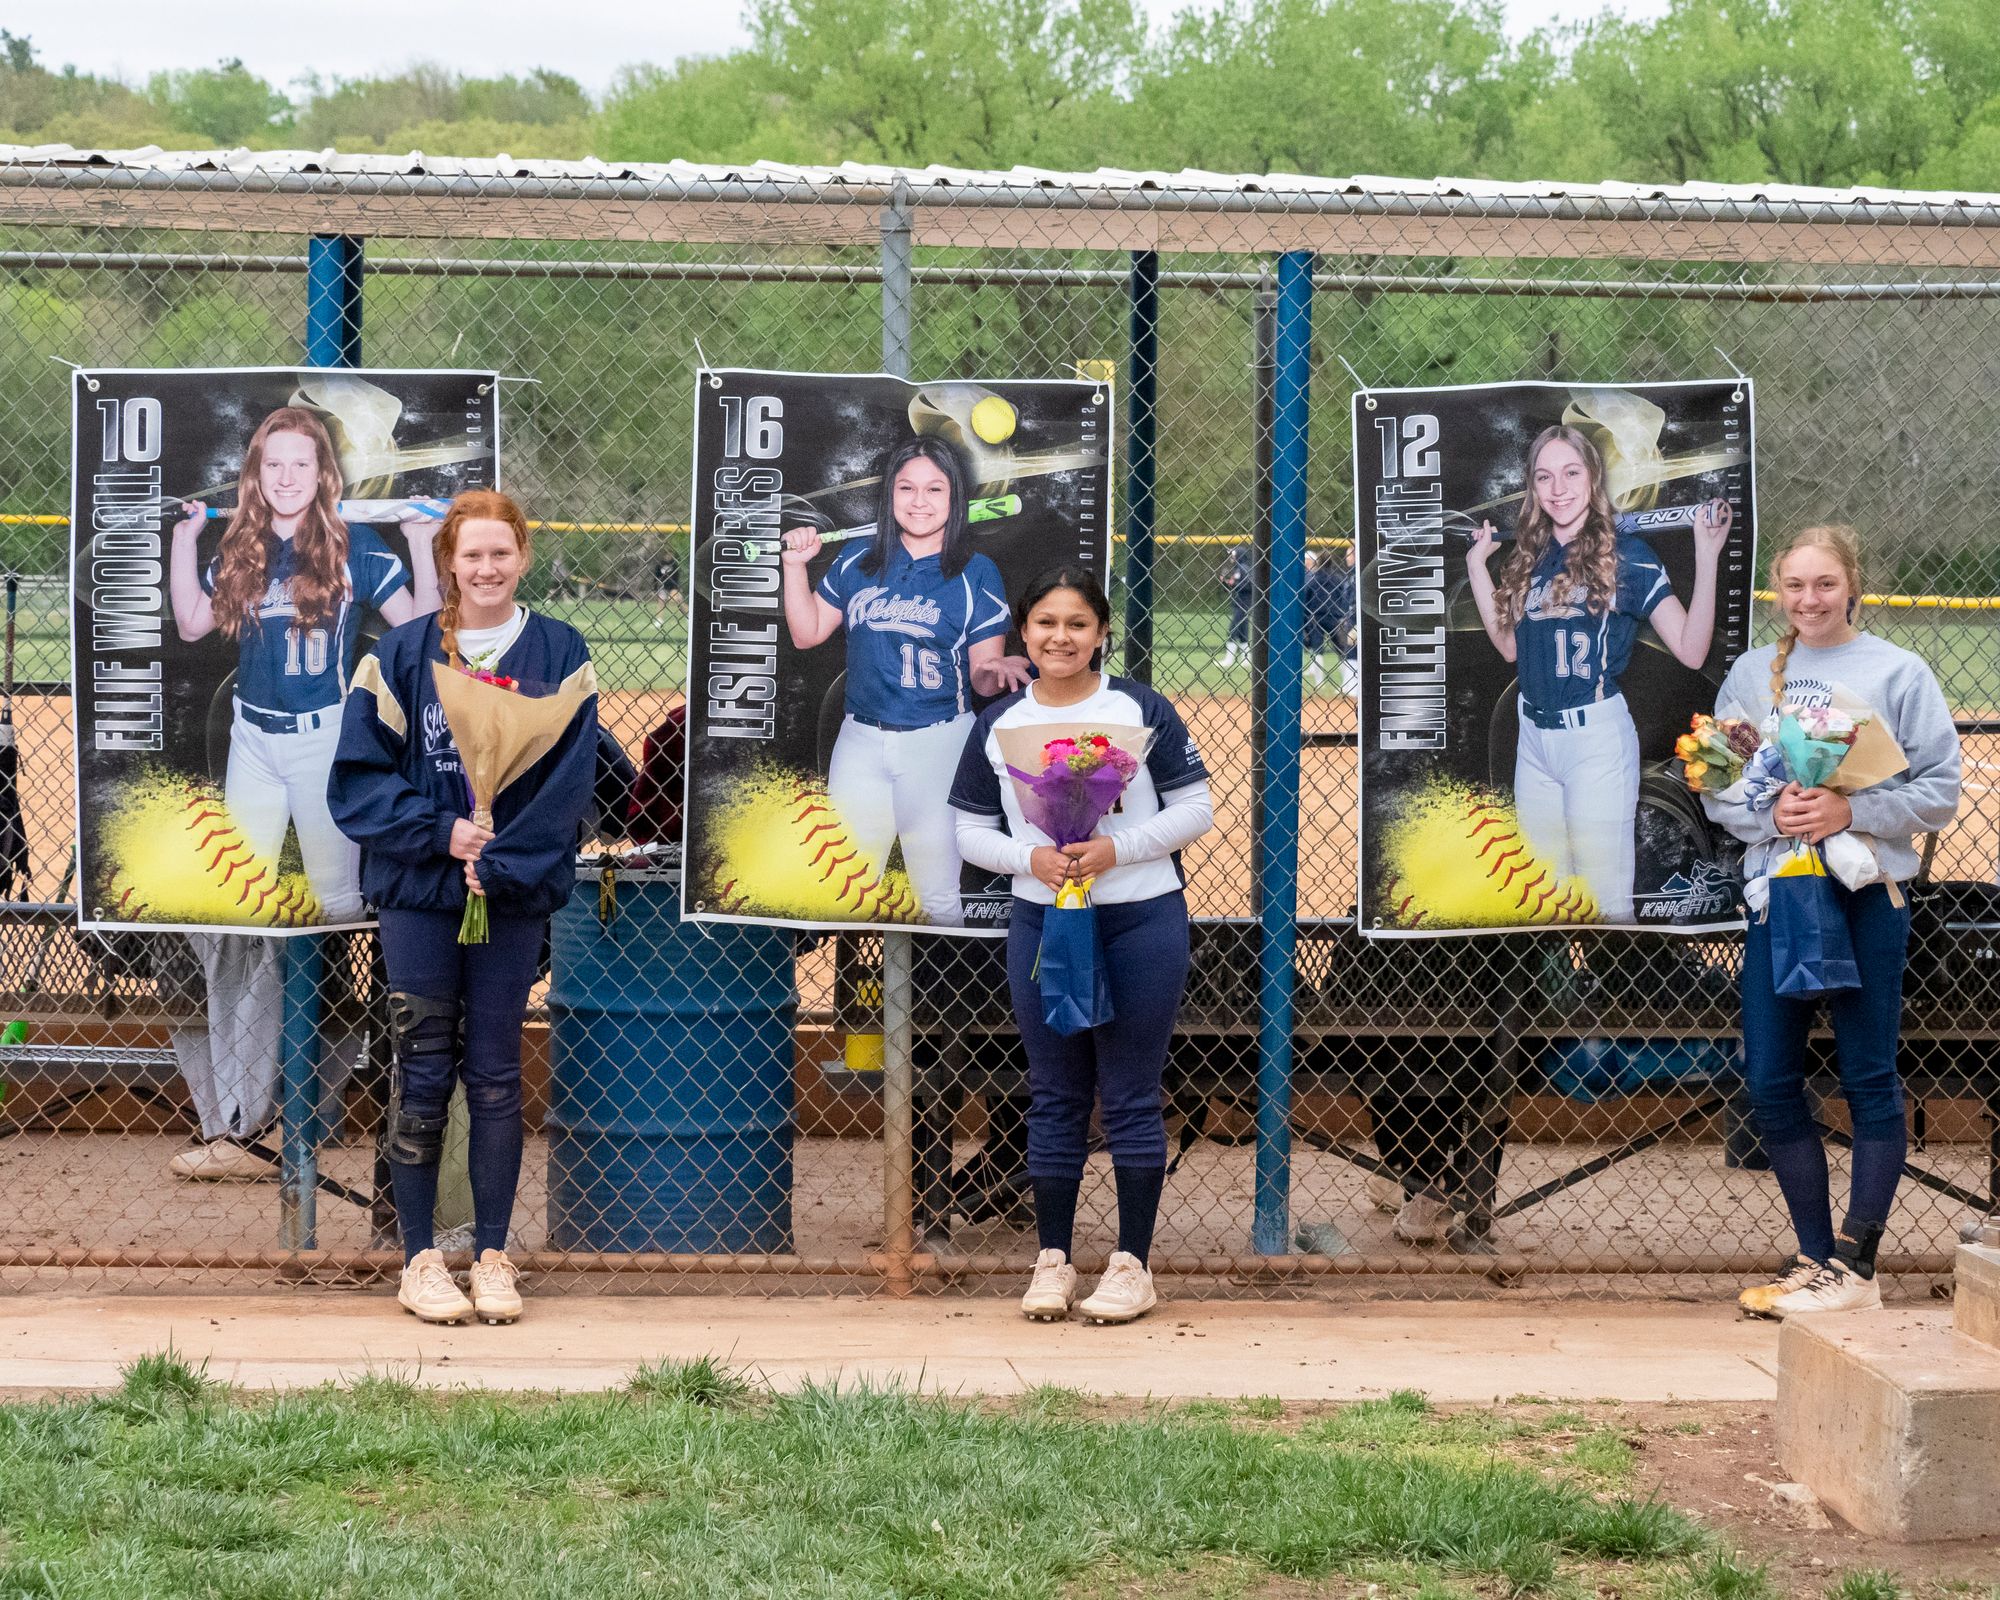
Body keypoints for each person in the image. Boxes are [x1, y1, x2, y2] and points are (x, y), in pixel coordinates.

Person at [329, 489, 599, 1325]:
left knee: (492, 1076)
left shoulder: (559, 650)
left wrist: (504, 862)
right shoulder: (402, 653)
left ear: (523, 558)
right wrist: (441, 833)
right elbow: (360, 778)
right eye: (470, 555)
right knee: (420, 1074)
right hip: (420, 891)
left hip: (505, 900)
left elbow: (570, 785)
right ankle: (418, 1259)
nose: (485, 569)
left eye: (501, 553)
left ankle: (490, 1253)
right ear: (447, 561)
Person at [163, 404, 440, 1182]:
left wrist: (420, 545)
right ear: (256, 476)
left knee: (339, 912)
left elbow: (419, 625)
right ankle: (245, 1125)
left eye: (301, 465)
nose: (286, 478)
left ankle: (338, 1105)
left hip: (325, 737)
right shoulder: (242, 546)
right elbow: (189, 622)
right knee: (239, 921)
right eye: (272, 465)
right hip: (253, 738)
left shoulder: (353, 545)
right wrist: (186, 540)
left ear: (325, 476)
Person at [1706, 525, 1960, 1316]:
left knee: (1868, 1075)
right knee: (1771, 1080)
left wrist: (1854, 805)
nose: (1809, 600)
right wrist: (1771, 809)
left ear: (1852, 585)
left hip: (1866, 892)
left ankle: (1856, 1265)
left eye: (1824, 585)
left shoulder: (1896, 669)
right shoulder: (1752, 674)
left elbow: (1941, 790)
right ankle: (1815, 1259)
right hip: (1781, 890)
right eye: (1795, 586)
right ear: (1778, 592)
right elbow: (1717, 785)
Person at [950, 566, 1214, 1324]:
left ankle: (1132, 1265)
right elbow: (969, 827)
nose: (1059, 637)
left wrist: (1115, 850)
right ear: (1023, 634)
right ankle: (1053, 1261)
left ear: (1101, 633)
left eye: (1076, 624)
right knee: (1055, 1095)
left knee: (1130, 1093)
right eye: (1044, 623)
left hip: (1139, 917)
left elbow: (1196, 808)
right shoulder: (999, 722)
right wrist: (1029, 859)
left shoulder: (1137, 707)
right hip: (1043, 920)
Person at [1467, 425, 1732, 921]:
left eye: (1571, 473)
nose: (1558, 489)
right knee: (1546, 899)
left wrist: (1707, 554)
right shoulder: (1529, 557)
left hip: (1595, 740)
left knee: (1607, 902)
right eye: (1544, 477)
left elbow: (1692, 651)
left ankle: (1615, 993)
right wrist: (1479, 567)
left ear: (1593, 479)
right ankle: (1561, 993)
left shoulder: (1629, 556)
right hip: (1533, 740)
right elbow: (1509, 649)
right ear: (1533, 487)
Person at [780, 436, 1031, 927]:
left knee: (938, 895)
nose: (920, 501)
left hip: (937, 740)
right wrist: (794, 567)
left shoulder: (975, 572)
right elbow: (807, 633)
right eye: (907, 488)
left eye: (935, 490)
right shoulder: (857, 558)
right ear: (889, 496)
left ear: (955, 498)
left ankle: (949, 1004)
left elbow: (981, 681)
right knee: (844, 891)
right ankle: (876, 997)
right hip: (860, 740)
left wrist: (995, 670)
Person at [1303, 545, 1359, 694]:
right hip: (1335, 618)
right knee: (1342, 651)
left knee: (1317, 650)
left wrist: (1306, 617)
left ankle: (1320, 683)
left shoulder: (1313, 579)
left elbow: (1305, 598)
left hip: (1316, 617)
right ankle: (1347, 681)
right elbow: (1343, 597)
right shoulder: (1338, 578)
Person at [1217, 544, 1252, 668]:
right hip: (1239, 604)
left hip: (1243, 604)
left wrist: (1233, 584)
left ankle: (1229, 659)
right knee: (1243, 632)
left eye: (1233, 554)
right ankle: (1247, 659)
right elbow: (1234, 587)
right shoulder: (1239, 569)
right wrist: (1226, 583)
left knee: (1233, 630)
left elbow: (1247, 586)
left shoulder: (1243, 569)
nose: (1231, 557)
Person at [653, 547, 685, 626]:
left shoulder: (674, 564)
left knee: (678, 601)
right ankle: (659, 620)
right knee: (661, 602)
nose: (669, 556)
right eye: (667, 554)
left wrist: (677, 588)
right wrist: (654, 588)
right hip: (663, 587)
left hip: (673, 587)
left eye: (671, 554)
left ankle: (688, 616)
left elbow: (677, 577)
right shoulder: (659, 564)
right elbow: (656, 577)